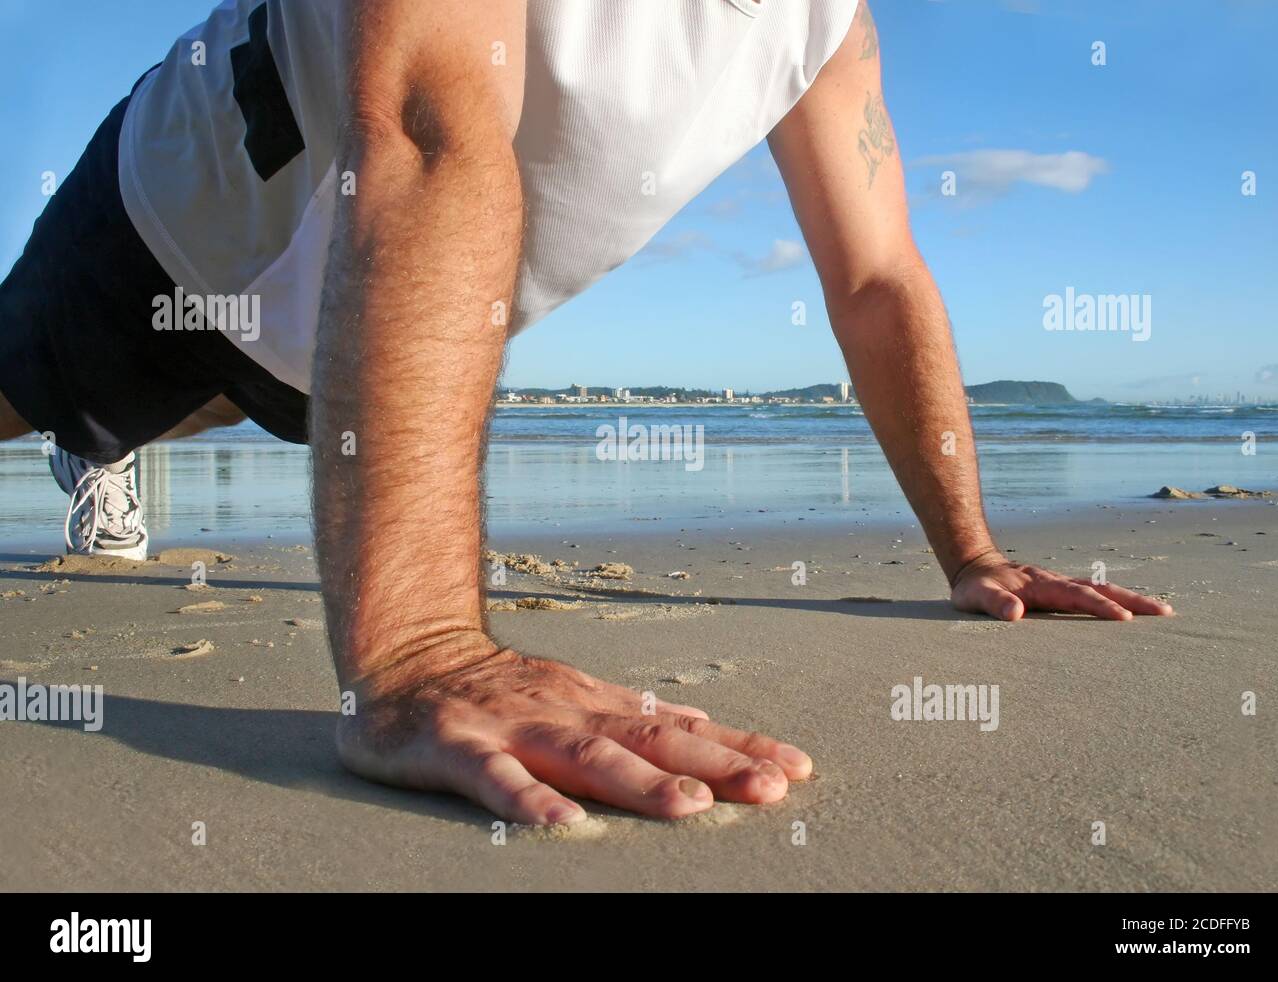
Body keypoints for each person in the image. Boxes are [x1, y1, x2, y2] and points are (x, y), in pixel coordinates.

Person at [0, 0, 1173, 825]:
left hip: (375, 337)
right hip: (186, 219)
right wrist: (417, 654)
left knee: (217, 404)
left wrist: (969, 548)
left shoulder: (832, 27)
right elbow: (419, 129)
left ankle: (106, 449)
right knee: (43, 395)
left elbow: (877, 281)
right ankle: (86, 438)